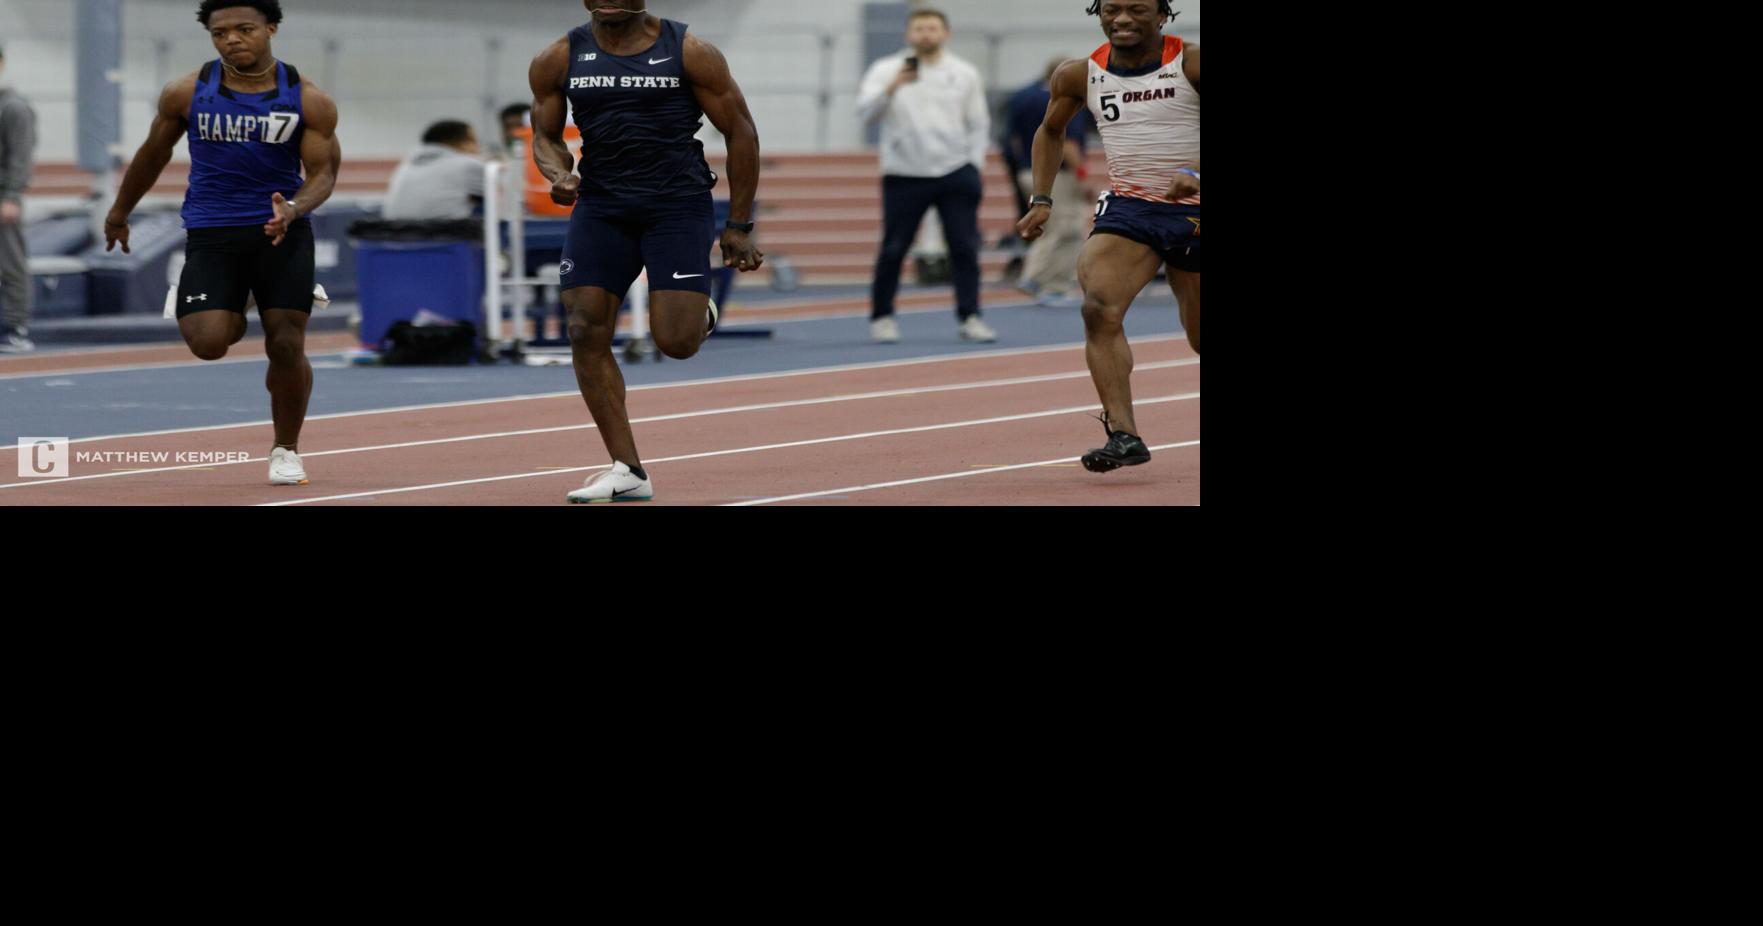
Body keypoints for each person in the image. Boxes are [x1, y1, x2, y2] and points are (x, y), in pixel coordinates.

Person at [529, 0, 763, 503]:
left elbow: (741, 131)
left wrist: (739, 224)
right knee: (583, 326)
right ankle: (627, 468)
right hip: (602, 205)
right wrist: (559, 173)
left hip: (675, 205)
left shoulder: (690, 50)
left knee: (676, 342)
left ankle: (698, 309)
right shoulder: (558, 57)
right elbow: (546, 135)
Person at [103, 0, 342, 486]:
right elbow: (153, 155)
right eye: (220, 32)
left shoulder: (308, 99)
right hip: (213, 231)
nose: (232, 39)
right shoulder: (187, 93)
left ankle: (285, 448)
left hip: (281, 231)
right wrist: (119, 212)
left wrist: (294, 208)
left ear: (271, 29)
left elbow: (323, 174)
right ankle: (242, 297)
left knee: (285, 343)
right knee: (210, 343)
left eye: (245, 29)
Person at [1017, 0, 1198, 474]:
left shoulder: (1192, 63)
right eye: (1112, 9)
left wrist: (1194, 170)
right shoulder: (1078, 74)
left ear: (1162, 16)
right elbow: (1050, 131)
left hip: (1197, 208)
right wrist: (1041, 198)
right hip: (1132, 208)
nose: (1121, 20)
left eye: (1136, 9)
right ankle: (1124, 434)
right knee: (1099, 307)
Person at [856, 8, 994, 344]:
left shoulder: (963, 73)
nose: (926, 34)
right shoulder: (886, 69)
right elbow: (865, 113)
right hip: (904, 173)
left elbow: (978, 123)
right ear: (908, 34)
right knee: (894, 248)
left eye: (932, 28)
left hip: (955, 172)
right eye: (919, 29)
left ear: (945, 34)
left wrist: (973, 165)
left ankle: (970, 316)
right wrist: (892, 87)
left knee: (964, 247)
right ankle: (882, 317)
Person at [1005, 58, 1092, 305]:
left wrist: (1024, 165)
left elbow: (1012, 139)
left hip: (1027, 168)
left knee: (1050, 227)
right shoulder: (1066, 98)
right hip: (1058, 173)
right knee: (1066, 228)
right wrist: (1083, 177)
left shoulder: (1022, 97)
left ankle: (1038, 276)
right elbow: (1069, 143)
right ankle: (1046, 281)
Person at [0, 44, 38, 354]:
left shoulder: (13, 108)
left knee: (10, 263)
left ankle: (15, 328)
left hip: (2, 197)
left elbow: (20, 156)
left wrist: (12, 196)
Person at [383, 120, 486, 221]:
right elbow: (498, 197)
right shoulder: (467, 165)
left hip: (394, 235)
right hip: (448, 234)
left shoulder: (405, 166)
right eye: (474, 140)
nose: (478, 147)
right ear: (463, 142)